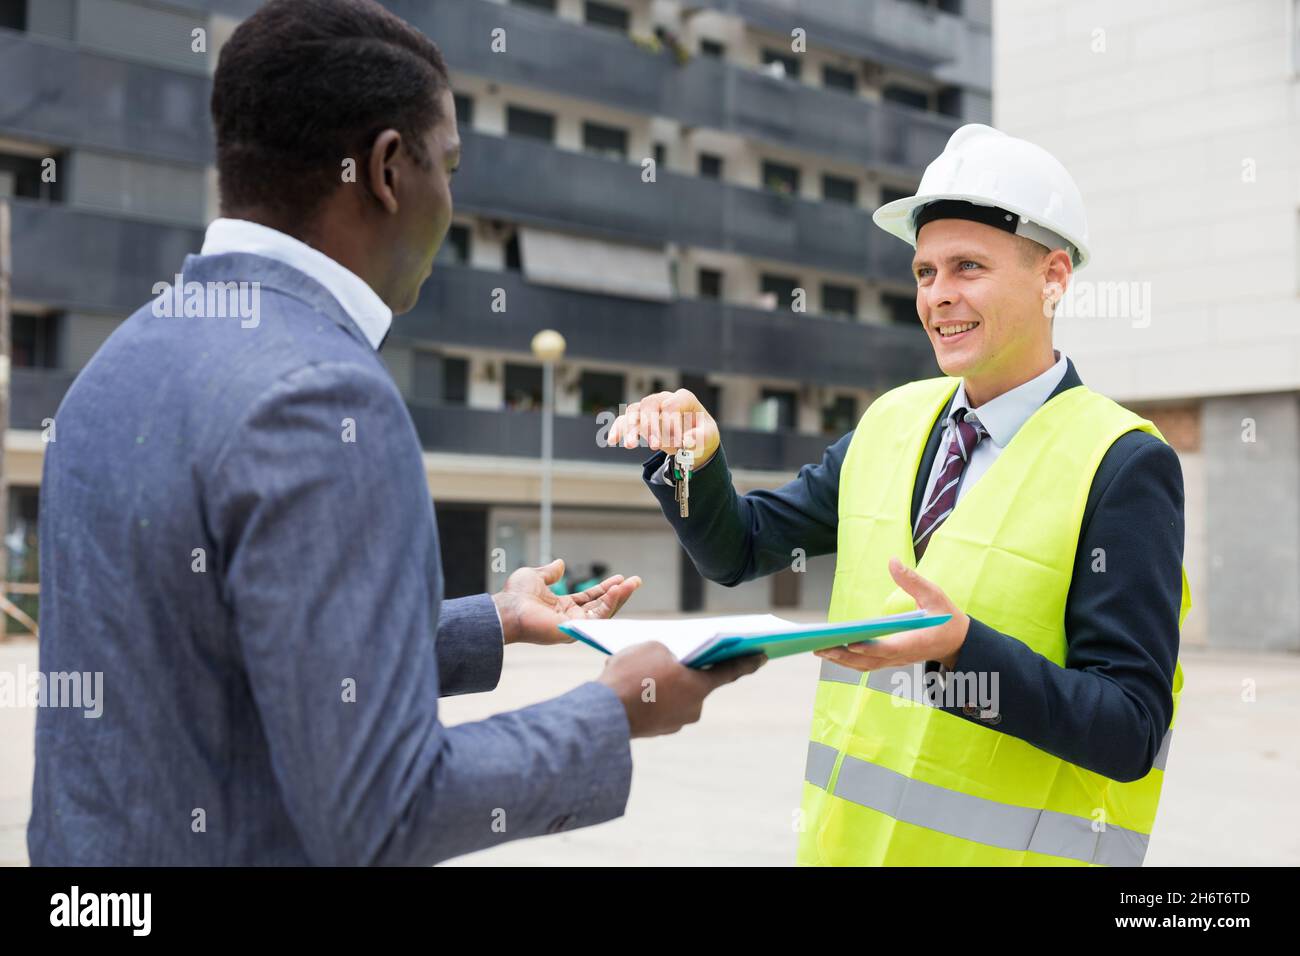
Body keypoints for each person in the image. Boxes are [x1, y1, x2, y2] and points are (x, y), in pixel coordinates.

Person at [29, 0, 762, 867]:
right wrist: (616, 709)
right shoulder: (323, 395)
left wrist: (494, 620)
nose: (450, 199)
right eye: (447, 166)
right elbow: (383, 810)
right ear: (385, 170)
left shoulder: (115, 367)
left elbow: (223, 655)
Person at [609, 124, 1189, 866]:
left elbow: (1129, 730)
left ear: (1053, 277)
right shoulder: (893, 422)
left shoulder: (1123, 464)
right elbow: (742, 548)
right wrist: (693, 463)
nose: (939, 297)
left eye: (967, 267)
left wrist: (962, 657)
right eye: (924, 273)